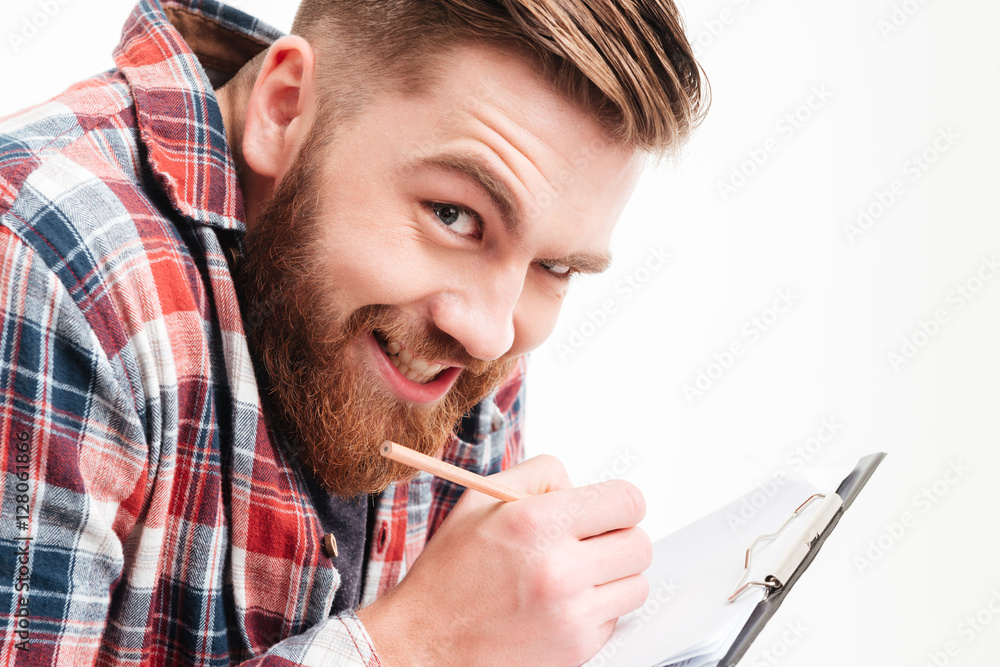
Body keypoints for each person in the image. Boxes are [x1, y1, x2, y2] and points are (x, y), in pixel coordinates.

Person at [0, 0, 706, 663]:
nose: (489, 333)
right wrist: (418, 643)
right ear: (283, 110)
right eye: (454, 216)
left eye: (554, 263)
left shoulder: (472, 325)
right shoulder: (45, 262)